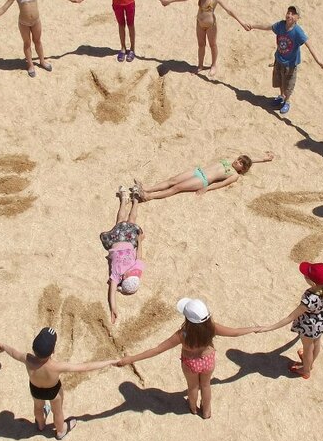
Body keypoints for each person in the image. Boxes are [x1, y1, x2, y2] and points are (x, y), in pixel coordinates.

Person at [118, 298, 260, 419]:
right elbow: (234, 333)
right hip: (207, 360)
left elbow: (157, 349)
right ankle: (206, 412)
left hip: (190, 363)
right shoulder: (212, 328)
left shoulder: (182, 335)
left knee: (193, 387)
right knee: (205, 385)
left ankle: (192, 408)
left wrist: (131, 359)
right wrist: (253, 328)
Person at [0, 328, 117, 439]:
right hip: (53, 392)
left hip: (35, 390)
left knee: (38, 407)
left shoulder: (27, 358)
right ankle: (60, 431)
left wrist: (3, 346)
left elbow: (13, 352)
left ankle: (40, 425)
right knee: (57, 411)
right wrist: (111, 361)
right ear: (53, 350)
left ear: (33, 348)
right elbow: (86, 367)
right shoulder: (56, 367)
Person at [257, 262, 323, 379]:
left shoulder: (309, 299)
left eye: (306, 276)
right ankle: (310, 363)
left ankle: (306, 370)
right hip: (321, 321)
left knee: (307, 349)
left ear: (312, 282)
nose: (305, 276)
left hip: (308, 325)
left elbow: (290, 317)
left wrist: (267, 328)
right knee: (316, 343)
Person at [160, 0, 248, 76]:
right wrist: (170, 0)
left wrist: (242, 22)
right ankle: (200, 65)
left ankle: (213, 65)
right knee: (201, 45)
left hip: (211, 26)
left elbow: (229, 10)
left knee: (212, 45)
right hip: (199, 24)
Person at [247, 6, 322, 114]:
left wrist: (318, 60)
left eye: (293, 14)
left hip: (290, 65)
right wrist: (253, 26)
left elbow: (308, 44)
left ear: (297, 18)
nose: (289, 15)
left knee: (288, 85)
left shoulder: (298, 32)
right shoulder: (281, 25)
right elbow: (268, 26)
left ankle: (287, 101)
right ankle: (281, 97)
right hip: (279, 60)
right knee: (279, 81)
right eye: (288, 13)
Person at [134, 152, 275, 202]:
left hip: (202, 180)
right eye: (238, 159)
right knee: (173, 180)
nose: (236, 161)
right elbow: (249, 158)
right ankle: (147, 188)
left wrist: (206, 189)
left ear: (242, 168)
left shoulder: (234, 175)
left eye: (239, 162)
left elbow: (220, 184)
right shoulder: (231, 160)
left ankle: (149, 197)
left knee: (177, 187)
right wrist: (264, 159)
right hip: (198, 171)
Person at [102, 186, 146, 324]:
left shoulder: (117, 275)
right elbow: (139, 255)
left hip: (118, 240)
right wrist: (139, 241)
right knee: (131, 220)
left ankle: (124, 200)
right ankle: (135, 200)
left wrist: (113, 308)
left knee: (121, 220)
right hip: (129, 241)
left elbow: (112, 293)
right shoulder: (135, 270)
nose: (130, 273)